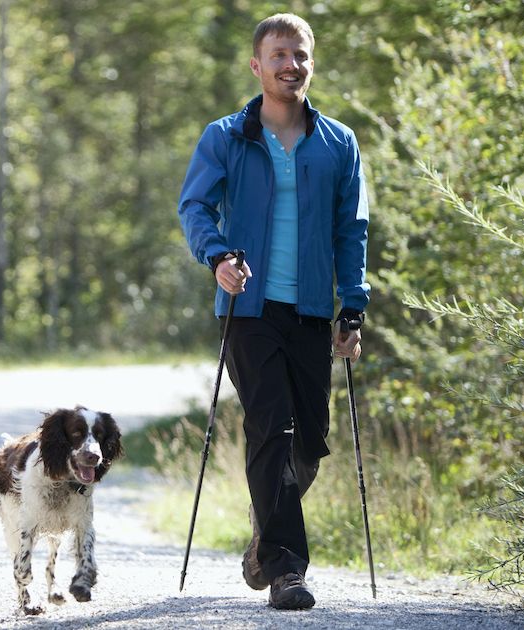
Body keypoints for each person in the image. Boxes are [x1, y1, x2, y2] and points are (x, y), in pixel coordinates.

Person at [176, 13, 369, 610]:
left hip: (312, 308)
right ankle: (287, 569)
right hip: (249, 309)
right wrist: (217, 258)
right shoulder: (226, 136)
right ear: (257, 65)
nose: (292, 65)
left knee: (309, 441)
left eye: (301, 55)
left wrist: (353, 307)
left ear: (311, 62)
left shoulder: (339, 142)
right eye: (279, 55)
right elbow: (195, 207)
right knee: (272, 428)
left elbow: (351, 229)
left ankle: (265, 535)